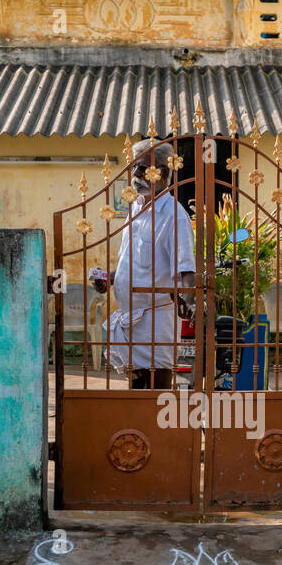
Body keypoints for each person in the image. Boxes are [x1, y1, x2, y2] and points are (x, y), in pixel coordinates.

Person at [95, 139, 196, 389]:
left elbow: (185, 269)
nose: (136, 175)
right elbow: (132, 262)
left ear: (162, 173)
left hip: (155, 322)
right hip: (131, 320)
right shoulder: (136, 211)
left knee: (156, 391)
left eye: (143, 169)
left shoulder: (174, 215)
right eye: (134, 168)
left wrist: (190, 300)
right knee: (137, 393)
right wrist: (110, 278)